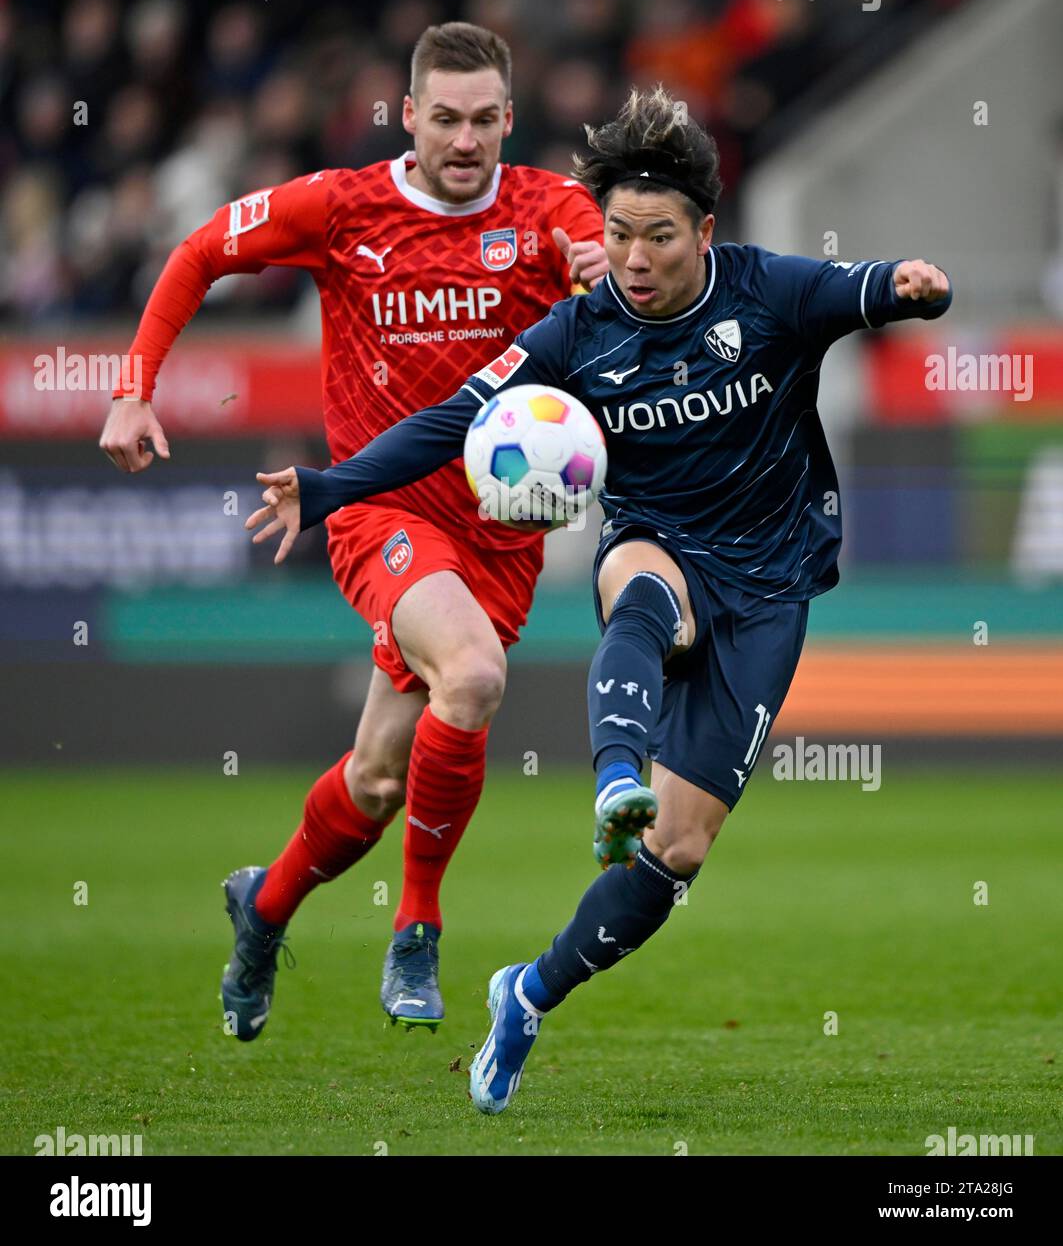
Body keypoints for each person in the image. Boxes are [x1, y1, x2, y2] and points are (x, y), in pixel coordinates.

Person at [244, 85, 952, 1110]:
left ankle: (527, 992)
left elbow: (868, 286)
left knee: (680, 850)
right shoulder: (574, 335)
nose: (632, 258)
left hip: (771, 583)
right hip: (656, 542)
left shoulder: (766, 293)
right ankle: (614, 777)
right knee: (638, 596)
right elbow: (448, 421)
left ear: (703, 232)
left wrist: (915, 287)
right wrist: (327, 487)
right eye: (617, 234)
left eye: (657, 237)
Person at [98, 22, 607, 1039]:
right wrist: (132, 388)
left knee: (378, 774)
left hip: (502, 533)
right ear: (409, 116)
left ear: (509, 119)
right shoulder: (342, 206)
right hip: (379, 508)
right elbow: (200, 251)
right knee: (470, 677)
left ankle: (265, 904)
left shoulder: (552, 210)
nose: (464, 143)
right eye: (445, 120)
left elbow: (632, 277)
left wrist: (608, 275)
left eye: (484, 122)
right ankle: (418, 927)